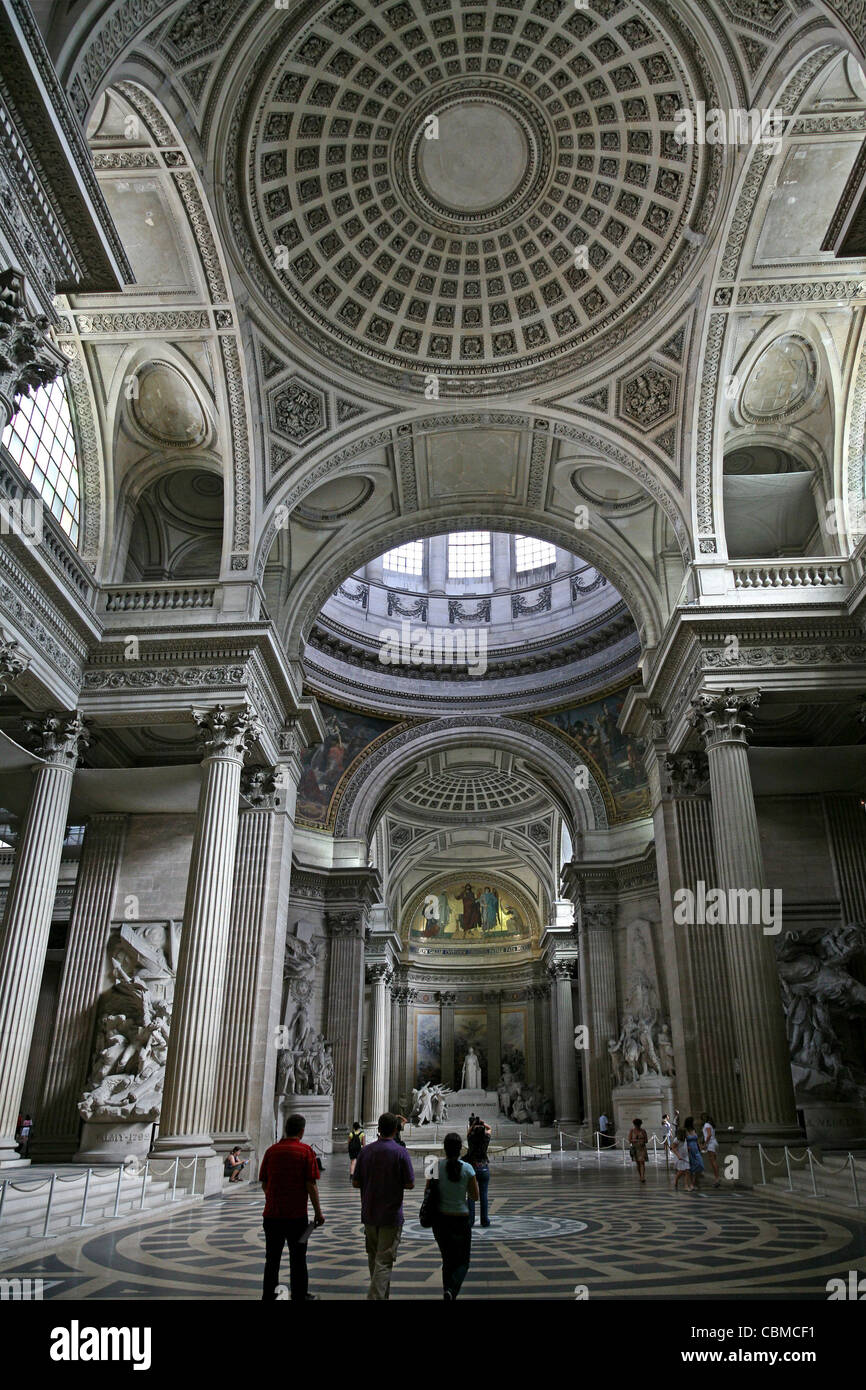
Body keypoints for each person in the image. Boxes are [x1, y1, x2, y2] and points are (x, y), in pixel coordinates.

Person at [259, 1113, 325, 1301]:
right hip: (297, 1218)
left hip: (271, 1216)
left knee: (271, 1259)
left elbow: (264, 1183)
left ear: (286, 1129)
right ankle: (299, 1294)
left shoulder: (271, 1151)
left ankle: (268, 1295)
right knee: (298, 1259)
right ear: (302, 1131)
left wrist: (274, 1198)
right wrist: (318, 1212)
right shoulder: (305, 1152)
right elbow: (310, 1185)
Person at [353, 1112, 415, 1300]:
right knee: (384, 1262)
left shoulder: (365, 1152)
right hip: (390, 1214)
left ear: (378, 1129)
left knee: (375, 1260)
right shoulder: (400, 1152)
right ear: (396, 1130)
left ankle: (381, 1296)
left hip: (369, 1213)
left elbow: (355, 1182)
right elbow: (410, 1183)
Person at [428, 1132, 479, 1300]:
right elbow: (475, 1196)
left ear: (444, 1148)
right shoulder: (468, 1168)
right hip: (461, 1220)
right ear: (460, 1149)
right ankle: (452, 1289)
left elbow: (427, 1192)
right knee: (463, 1261)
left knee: (447, 1260)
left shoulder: (434, 1166)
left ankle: (448, 1291)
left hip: (440, 1220)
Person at [465, 1116, 492, 1227]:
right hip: (484, 1167)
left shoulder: (471, 1138)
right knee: (484, 1195)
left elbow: (469, 1131)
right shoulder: (486, 1138)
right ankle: (484, 1220)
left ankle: (470, 1220)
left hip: (472, 1168)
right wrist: (483, 1123)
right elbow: (490, 1128)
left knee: (471, 1195)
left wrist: (473, 1125)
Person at [684, 1116, 705, 1191]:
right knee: (692, 1168)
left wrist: (700, 1148)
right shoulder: (685, 1130)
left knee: (700, 1165)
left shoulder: (694, 1130)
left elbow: (697, 1140)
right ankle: (692, 1183)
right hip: (689, 1150)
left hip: (696, 1149)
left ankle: (696, 1181)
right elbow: (683, 1141)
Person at [701, 1113, 721, 1187]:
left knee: (713, 1162)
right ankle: (717, 1178)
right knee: (714, 1161)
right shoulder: (711, 1125)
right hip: (714, 1143)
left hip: (711, 1144)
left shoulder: (706, 1125)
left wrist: (705, 1144)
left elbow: (709, 1135)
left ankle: (717, 1178)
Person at [628, 1116, 648, 1183]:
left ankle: (642, 1176)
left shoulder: (643, 1131)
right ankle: (640, 1176)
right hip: (635, 1148)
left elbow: (646, 1140)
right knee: (638, 1163)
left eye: (638, 1125)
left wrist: (642, 1141)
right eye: (636, 1125)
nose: (637, 1126)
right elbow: (629, 1140)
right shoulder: (632, 1131)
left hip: (642, 1148)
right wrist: (636, 1140)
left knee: (642, 1162)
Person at [671, 1127, 692, 1191]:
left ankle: (686, 1185)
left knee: (687, 1171)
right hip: (679, 1157)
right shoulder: (676, 1140)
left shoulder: (685, 1138)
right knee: (681, 1171)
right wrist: (678, 1156)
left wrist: (688, 1148)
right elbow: (673, 1148)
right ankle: (676, 1180)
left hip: (685, 1156)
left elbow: (683, 1146)